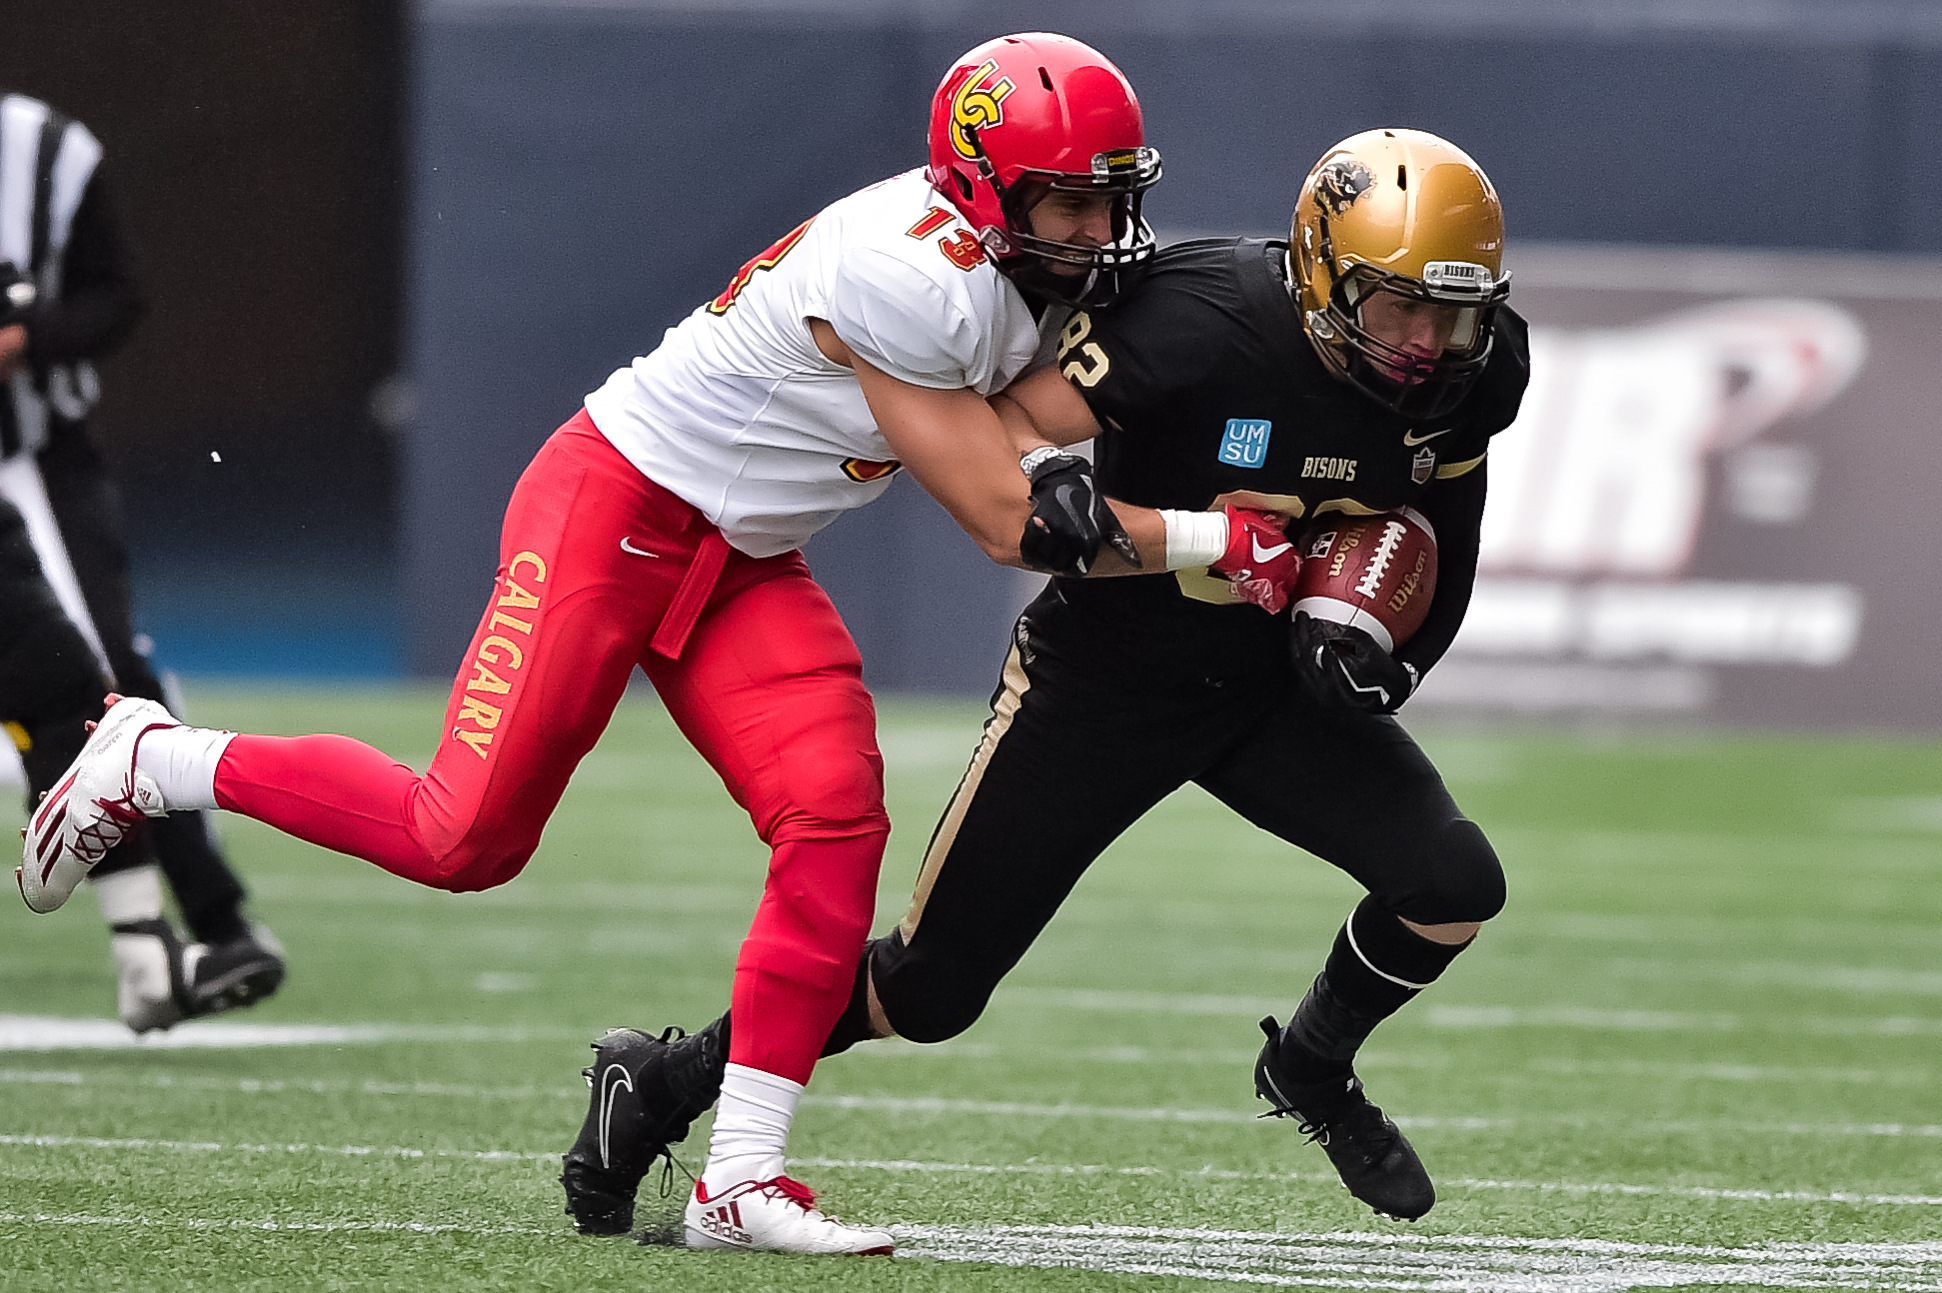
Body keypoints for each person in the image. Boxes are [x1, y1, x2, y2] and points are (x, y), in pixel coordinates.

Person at [20, 34, 1305, 1254]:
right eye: (1062, 203)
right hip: (616, 507)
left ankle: (739, 1177)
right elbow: (999, 515)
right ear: (977, 186)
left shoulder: (1034, 267)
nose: (1096, 232)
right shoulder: (905, 273)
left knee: (834, 814)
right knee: (458, 839)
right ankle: (156, 759)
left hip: (741, 553)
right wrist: (1220, 538)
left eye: (1109, 198)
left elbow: (1043, 441)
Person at [596, 128, 1531, 1224]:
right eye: (1396, 309)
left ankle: (1312, 1069)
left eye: (1451, 314)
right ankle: (661, 1080)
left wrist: (1390, 655)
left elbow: (1441, 533)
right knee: (928, 992)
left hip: (1270, 686)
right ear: (1321, 274)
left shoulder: (1479, 370)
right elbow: (1007, 422)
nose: (1425, 345)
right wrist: (1046, 473)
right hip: (1106, 681)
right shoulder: (1200, 316)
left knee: (1452, 884)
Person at [0, 91, 284, 1033]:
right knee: (75, 686)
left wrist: (26, 337)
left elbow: (115, 297)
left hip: (36, 458)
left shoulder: (47, 151)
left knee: (93, 681)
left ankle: (186, 930)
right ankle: (174, 935)